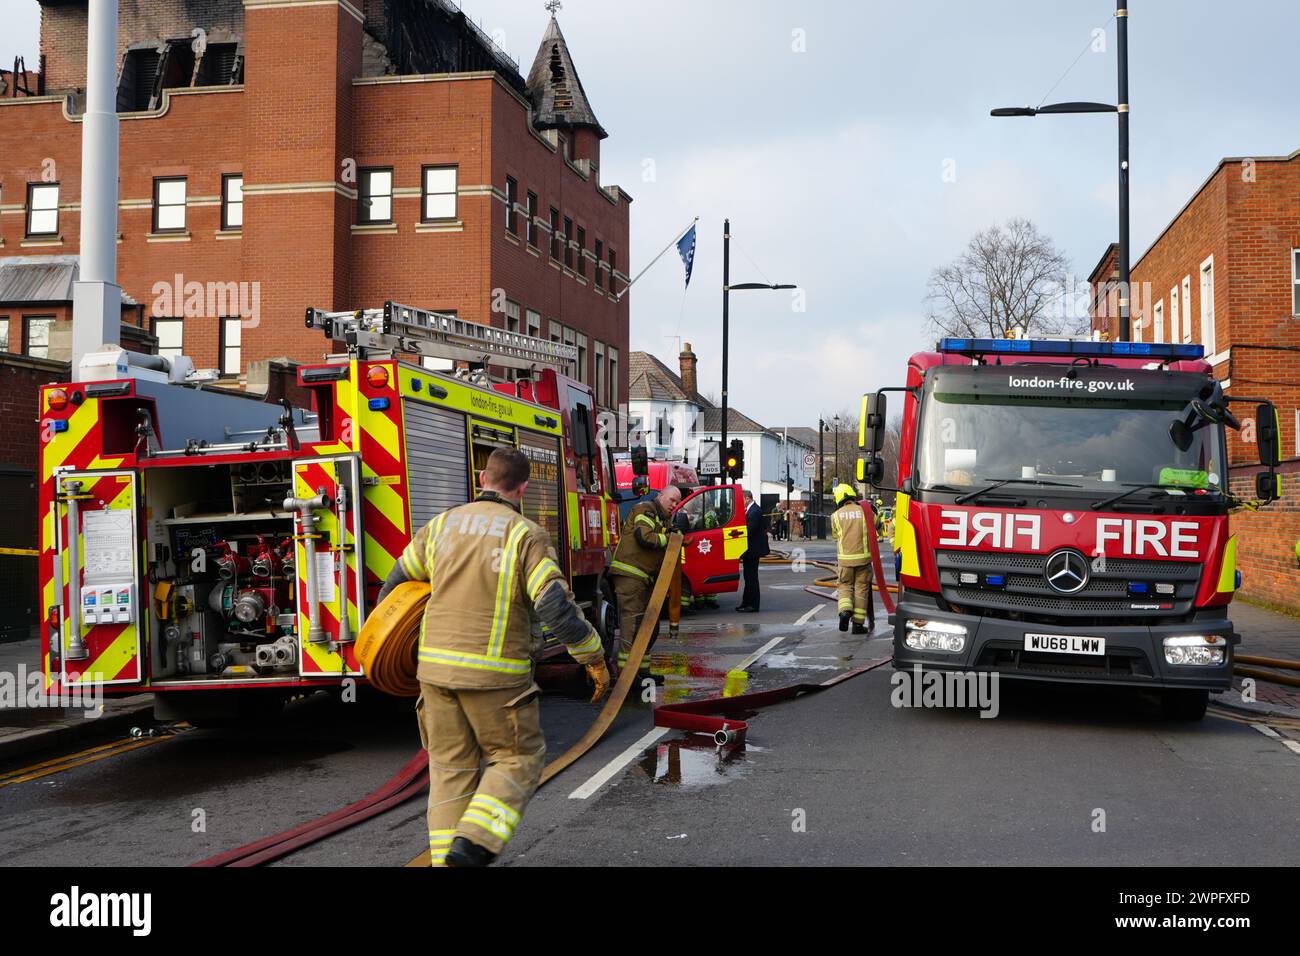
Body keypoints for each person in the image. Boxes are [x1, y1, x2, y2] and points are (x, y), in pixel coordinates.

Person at [376, 448, 609, 868]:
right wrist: (592, 655)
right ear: (523, 487)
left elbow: (393, 592)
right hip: (495, 679)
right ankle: (474, 844)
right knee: (518, 758)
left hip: (434, 675)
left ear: (482, 477)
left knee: (450, 771)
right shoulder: (526, 535)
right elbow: (554, 606)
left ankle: (447, 859)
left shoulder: (440, 526)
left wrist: (396, 653)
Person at [609, 484, 682, 671]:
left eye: (677, 502)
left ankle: (642, 671)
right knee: (632, 624)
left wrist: (673, 534)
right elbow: (644, 537)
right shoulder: (645, 509)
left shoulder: (664, 519)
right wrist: (670, 538)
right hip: (630, 575)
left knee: (650, 627)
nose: (674, 505)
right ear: (661, 495)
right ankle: (627, 675)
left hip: (645, 579)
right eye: (672, 500)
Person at [831, 483, 874, 635]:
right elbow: (877, 525)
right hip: (864, 559)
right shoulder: (865, 512)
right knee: (861, 589)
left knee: (844, 586)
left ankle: (844, 611)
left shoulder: (835, 516)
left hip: (845, 560)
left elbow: (835, 535)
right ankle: (857, 625)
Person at [736, 490, 769, 612]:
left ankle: (753, 605)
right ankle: (746, 602)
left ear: (747, 498)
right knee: (748, 577)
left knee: (752, 578)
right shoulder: (751, 510)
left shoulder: (754, 511)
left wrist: (736, 533)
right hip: (749, 550)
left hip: (753, 550)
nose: (741, 502)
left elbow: (749, 530)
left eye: (742, 500)